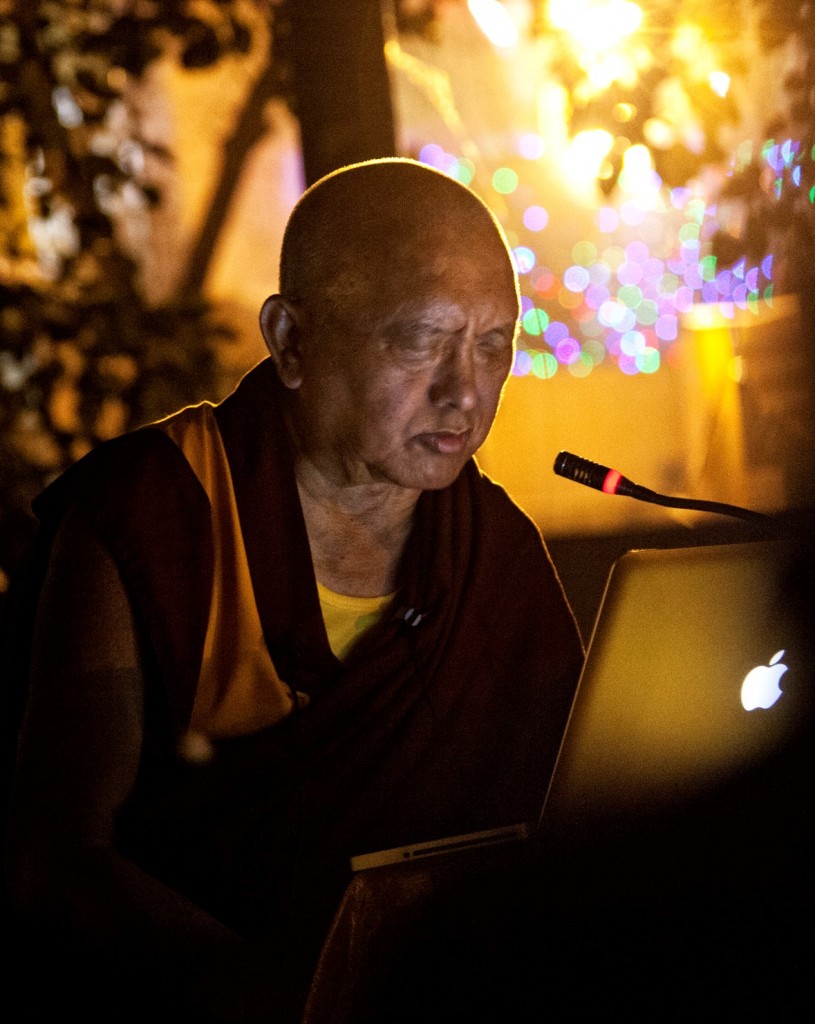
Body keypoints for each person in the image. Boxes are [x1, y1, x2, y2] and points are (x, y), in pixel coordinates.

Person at [2, 158, 583, 1021]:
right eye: (420, 339)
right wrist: (279, 997)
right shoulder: (152, 517)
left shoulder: (491, 549)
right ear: (292, 341)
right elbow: (59, 855)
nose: (465, 390)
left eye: (493, 345)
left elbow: (572, 815)